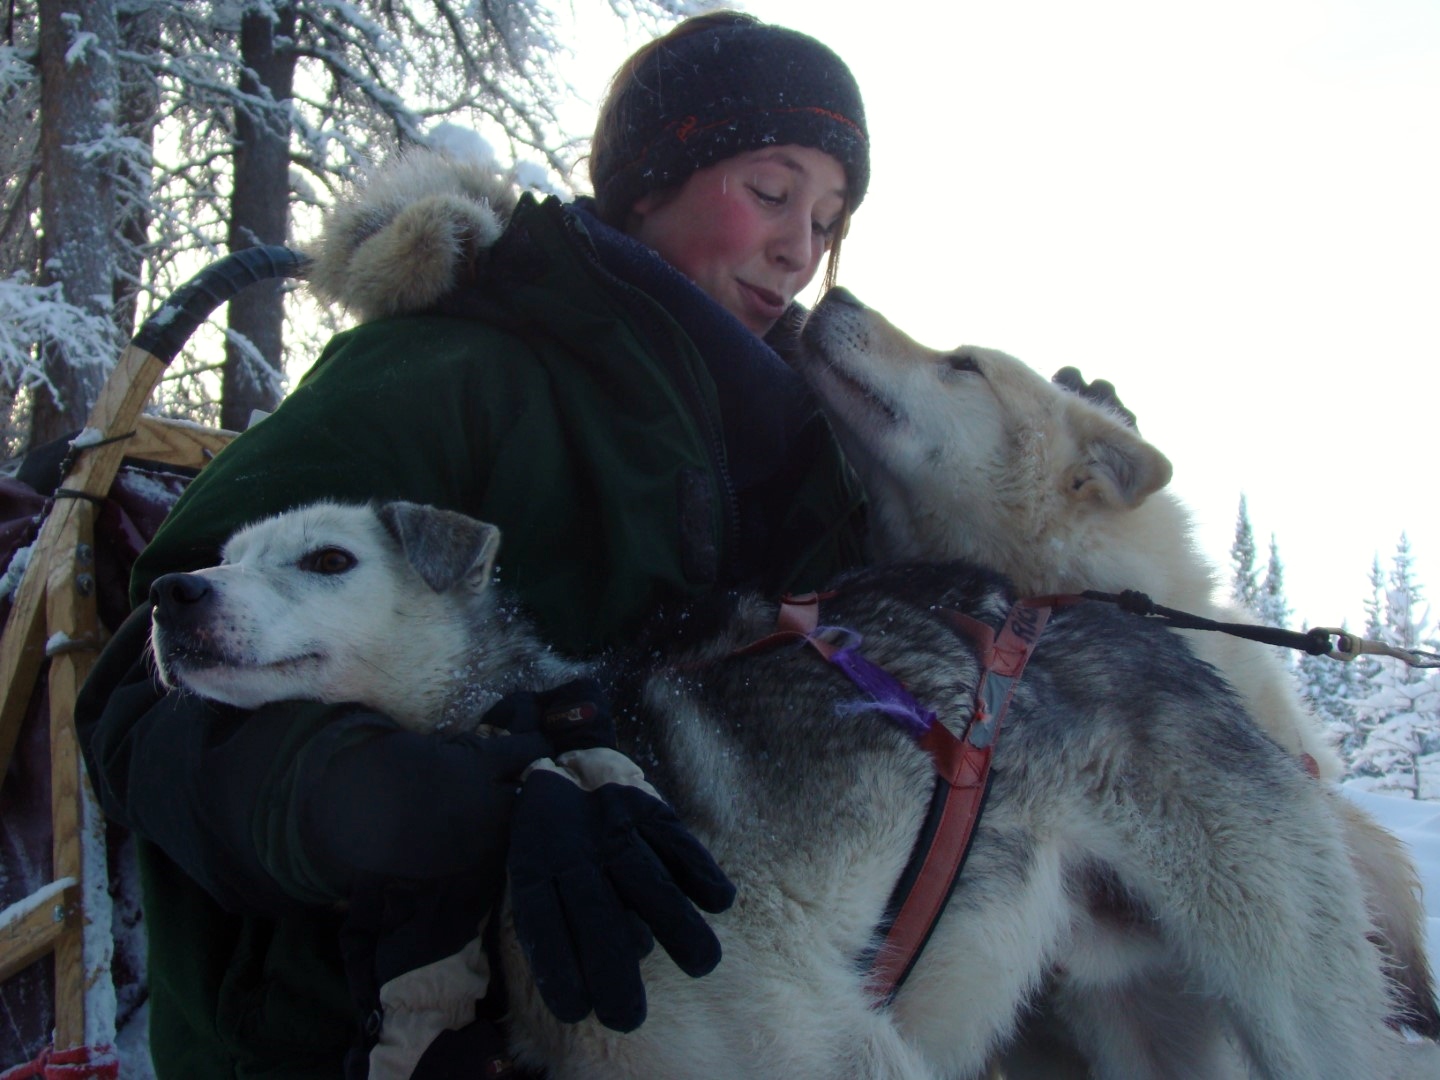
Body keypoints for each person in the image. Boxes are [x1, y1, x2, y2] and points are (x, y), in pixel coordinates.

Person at [75, 11, 872, 1079]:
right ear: (648, 182)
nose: (800, 249)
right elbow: (139, 699)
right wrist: (396, 804)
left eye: (828, 221)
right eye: (772, 192)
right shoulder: (446, 374)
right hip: (341, 1036)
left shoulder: (806, 469)